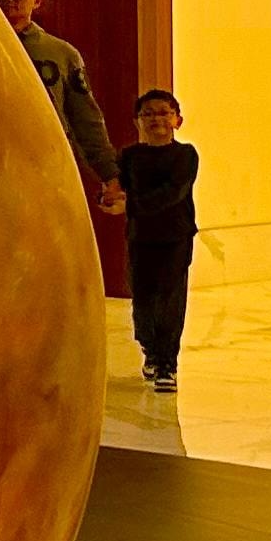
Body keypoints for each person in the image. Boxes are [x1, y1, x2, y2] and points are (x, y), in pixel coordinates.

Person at [0, 0, 118, 194]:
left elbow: (85, 117)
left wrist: (108, 173)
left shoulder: (60, 54)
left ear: (36, 0)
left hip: (44, 159)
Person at [109, 90, 199, 394]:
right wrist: (108, 199)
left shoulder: (186, 155)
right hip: (140, 238)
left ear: (177, 120)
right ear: (138, 121)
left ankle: (166, 364)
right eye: (148, 113)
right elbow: (118, 188)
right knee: (143, 299)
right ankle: (150, 349)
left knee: (170, 300)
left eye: (163, 112)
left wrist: (130, 205)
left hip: (175, 237)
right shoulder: (129, 156)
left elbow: (173, 193)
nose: (155, 119)